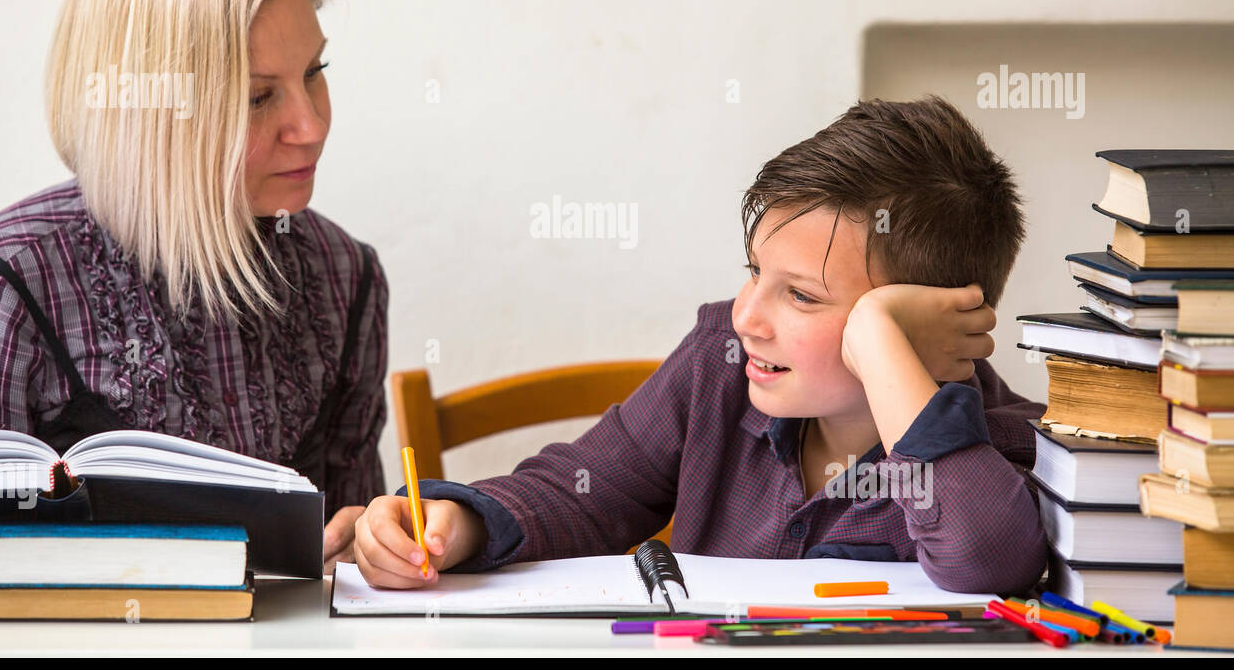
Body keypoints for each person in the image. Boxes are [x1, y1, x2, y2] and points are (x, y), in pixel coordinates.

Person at [350, 96, 1049, 596]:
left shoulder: (1007, 446)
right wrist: (461, 524)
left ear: (935, 321)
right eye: (754, 272)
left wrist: (881, 343)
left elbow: (988, 561)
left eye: (801, 295)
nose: (747, 315)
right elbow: (585, 489)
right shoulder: (719, 363)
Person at [0, 0, 387, 574]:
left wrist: (367, 549)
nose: (313, 126)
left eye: (314, 74)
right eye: (259, 96)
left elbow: (352, 566)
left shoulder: (344, 275)